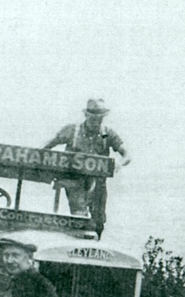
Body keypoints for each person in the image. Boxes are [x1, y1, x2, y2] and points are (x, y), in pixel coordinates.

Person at [43, 98, 131, 238]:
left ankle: (95, 244)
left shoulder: (107, 134)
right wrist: (40, 156)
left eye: (100, 118)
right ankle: (78, 243)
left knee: (99, 220)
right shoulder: (72, 131)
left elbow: (127, 154)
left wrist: (119, 164)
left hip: (98, 184)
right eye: (93, 117)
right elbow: (50, 143)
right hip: (74, 181)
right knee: (80, 217)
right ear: (86, 115)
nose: (96, 121)